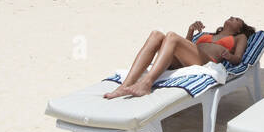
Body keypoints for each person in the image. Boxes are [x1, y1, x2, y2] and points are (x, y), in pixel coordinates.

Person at [103, 17, 255, 99]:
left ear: (239, 28)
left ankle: (146, 84)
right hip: (188, 60)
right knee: (156, 34)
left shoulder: (239, 37)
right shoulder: (209, 35)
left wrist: (229, 56)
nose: (231, 18)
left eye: (236, 19)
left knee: (171, 36)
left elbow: (238, 59)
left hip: (205, 62)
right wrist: (190, 31)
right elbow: (186, 46)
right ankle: (125, 86)